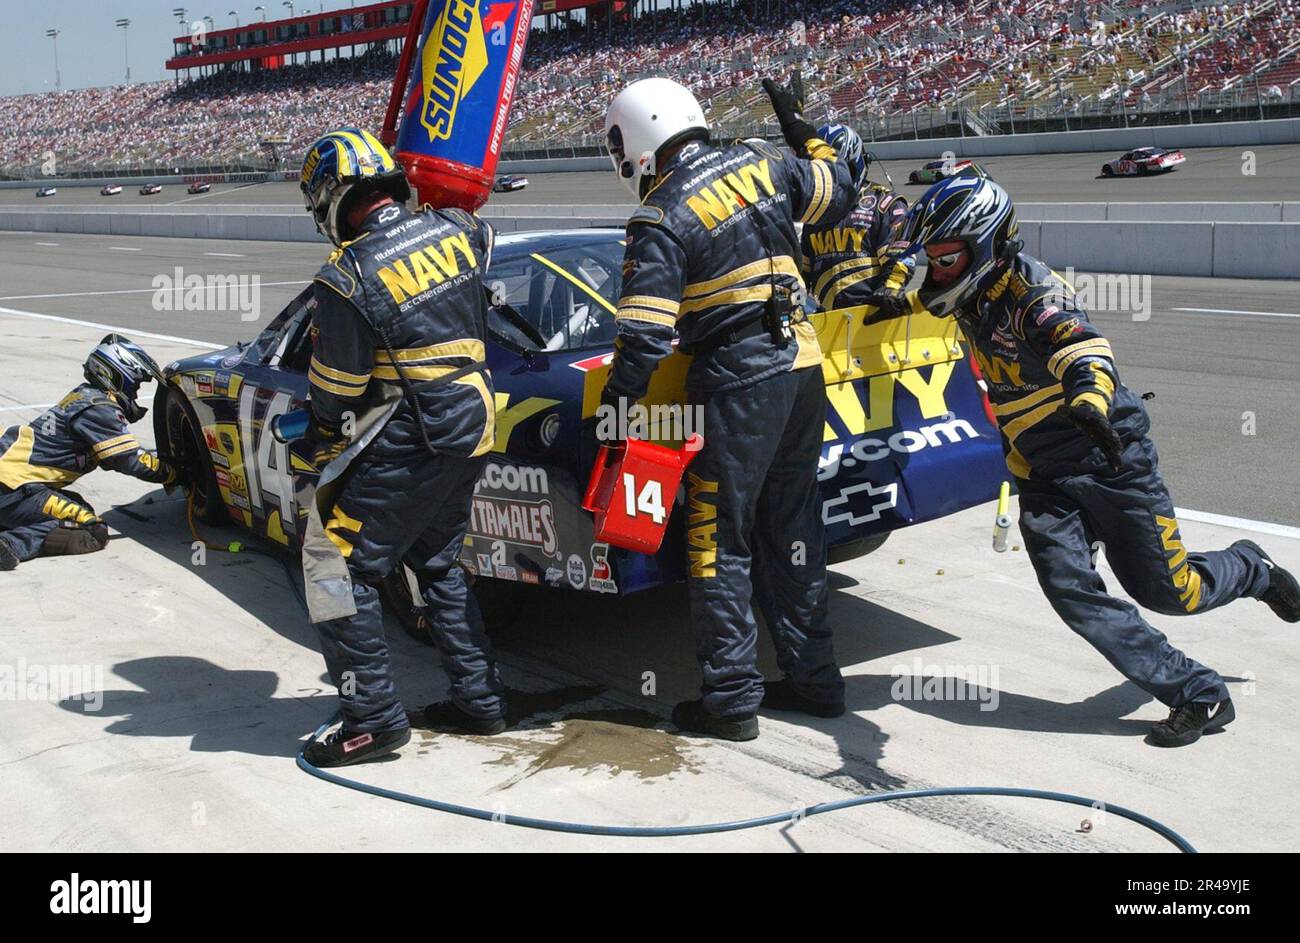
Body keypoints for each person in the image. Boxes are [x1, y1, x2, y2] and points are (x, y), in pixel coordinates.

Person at [890, 174, 1300, 747]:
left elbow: (1082, 347)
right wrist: (885, 294)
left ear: (984, 246)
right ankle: (1197, 692)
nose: (935, 273)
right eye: (930, 261)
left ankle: (1250, 567)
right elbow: (916, 297)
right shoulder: (971, 291)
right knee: (1072, 591)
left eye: (945, 259)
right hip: (1041, 472)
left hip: (1106, 452)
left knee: (1169, 594)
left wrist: (1087, 399)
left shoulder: (1036, 296)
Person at [598, 75, 857, 741]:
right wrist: (798, 124)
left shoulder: (661, 212)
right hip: (803, 366)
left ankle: (732, 700)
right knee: (792, 527)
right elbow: (840, 189)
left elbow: (646, 336)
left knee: (719, 541)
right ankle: (816, 678)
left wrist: (618, 410)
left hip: (739, 381)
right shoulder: (763, 160)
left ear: (640, 143)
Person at [296, 127, 505, 768]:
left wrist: (316, 445)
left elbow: (338, 391)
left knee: (331, 568)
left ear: (332, 199)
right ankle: (480, 700)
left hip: (416, 433)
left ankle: (373, 721)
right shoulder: (463, 231)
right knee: (439, 563)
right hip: (477, 423)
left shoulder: (345, 277)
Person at [0, 334, 180, 571]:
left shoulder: (83, 396)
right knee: (91, 529)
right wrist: (175, 473)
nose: (135, 393)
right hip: (14, 488)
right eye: (135, 385)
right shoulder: (100, 408)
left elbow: (111, 458)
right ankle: (11, 543)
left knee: (77, 504)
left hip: (11, 483)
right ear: (117, 375)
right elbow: (131, 460)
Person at [799, 123, 913, 316]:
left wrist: (890, 289)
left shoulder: (884, 204)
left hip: (874, 316)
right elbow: (803, 272)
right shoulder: (814, 216)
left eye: (837, 171)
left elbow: (900, 256)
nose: (833, 180)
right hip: (827, 323)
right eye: (822, 174)